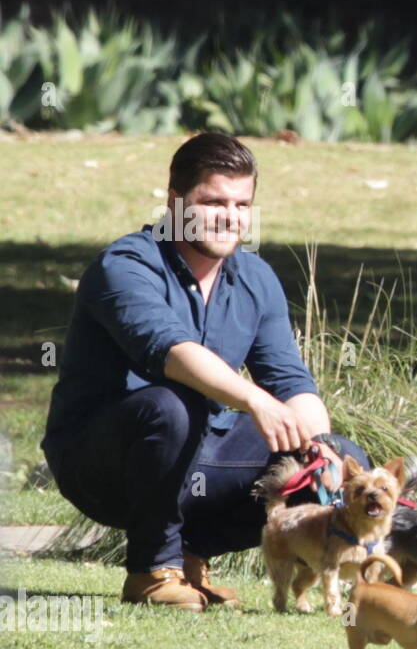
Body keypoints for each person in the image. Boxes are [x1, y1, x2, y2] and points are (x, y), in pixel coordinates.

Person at [42, 133, 369, 612]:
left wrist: (321, 447)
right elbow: (173, 354)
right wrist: (253, 400)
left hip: (198, 455)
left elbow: (289, 381)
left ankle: (190, 556)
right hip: (103, 461)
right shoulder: (126, 265)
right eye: (212, 201)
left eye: (242, 204)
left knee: (337, 451)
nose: (229, 216)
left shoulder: (255, 278)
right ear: (175, 201)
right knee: (171, 405)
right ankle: (152, 572)